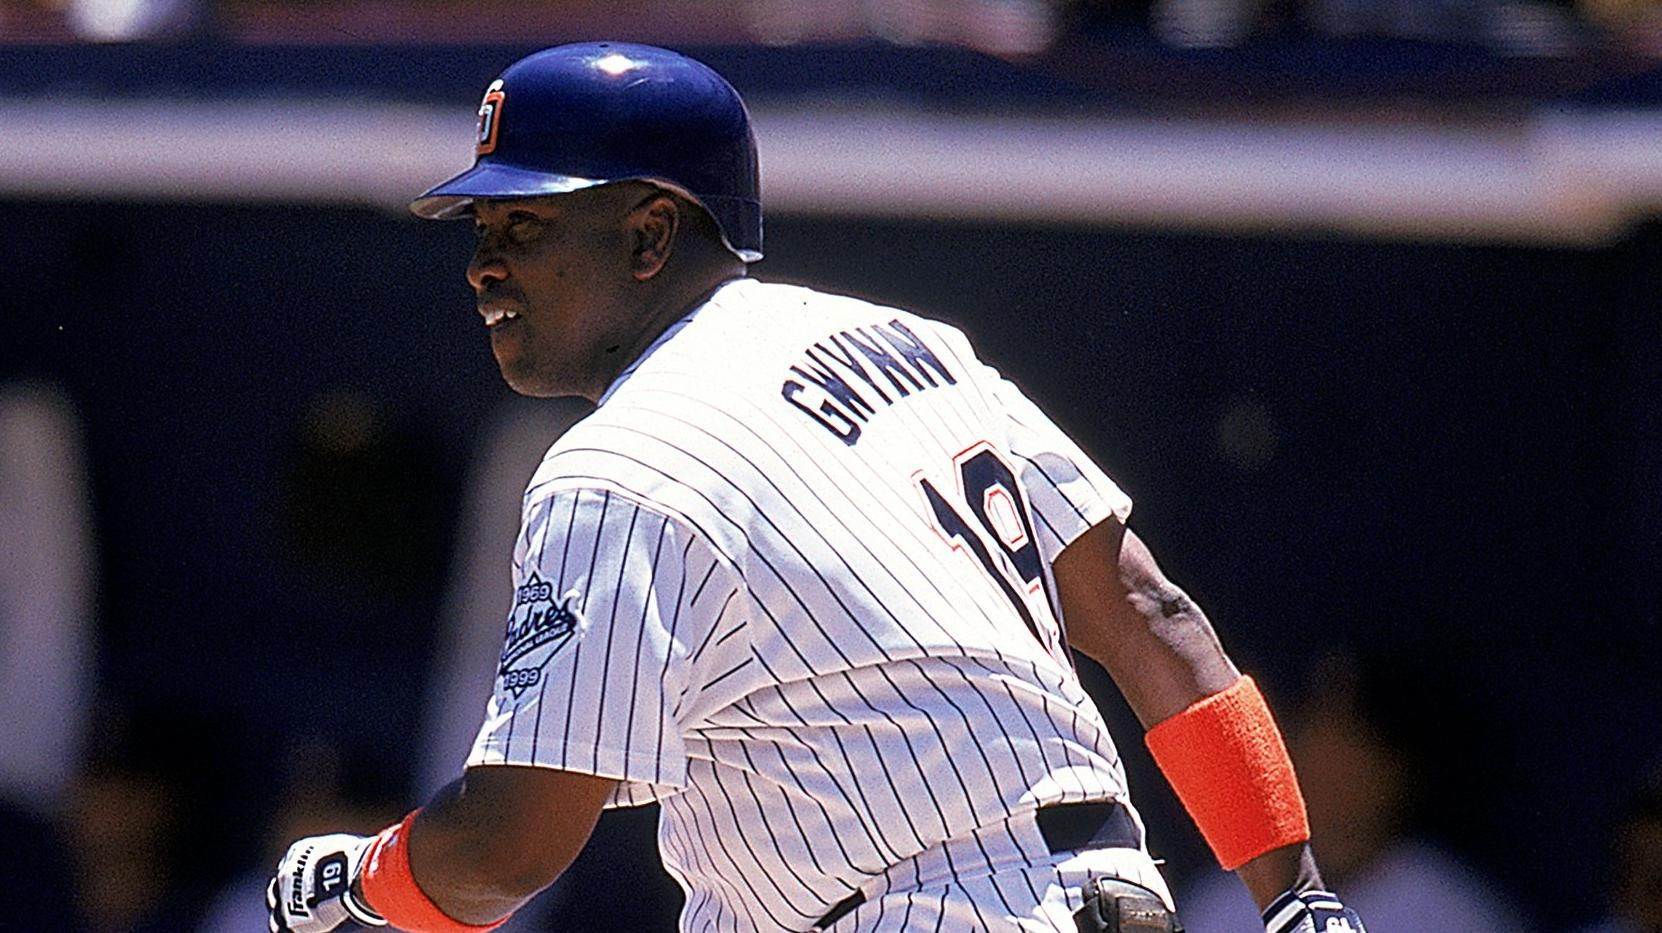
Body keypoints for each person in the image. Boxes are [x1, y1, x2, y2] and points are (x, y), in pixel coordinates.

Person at [266, 41, 1367, 933]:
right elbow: (1145, 612)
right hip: (1106, 894)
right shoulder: (907, 344)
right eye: (482, 230)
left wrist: (360, 876)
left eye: (526, 224)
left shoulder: (623, 463)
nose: (483, 264)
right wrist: (1297, 891)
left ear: (651, 233)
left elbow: (508, 849)